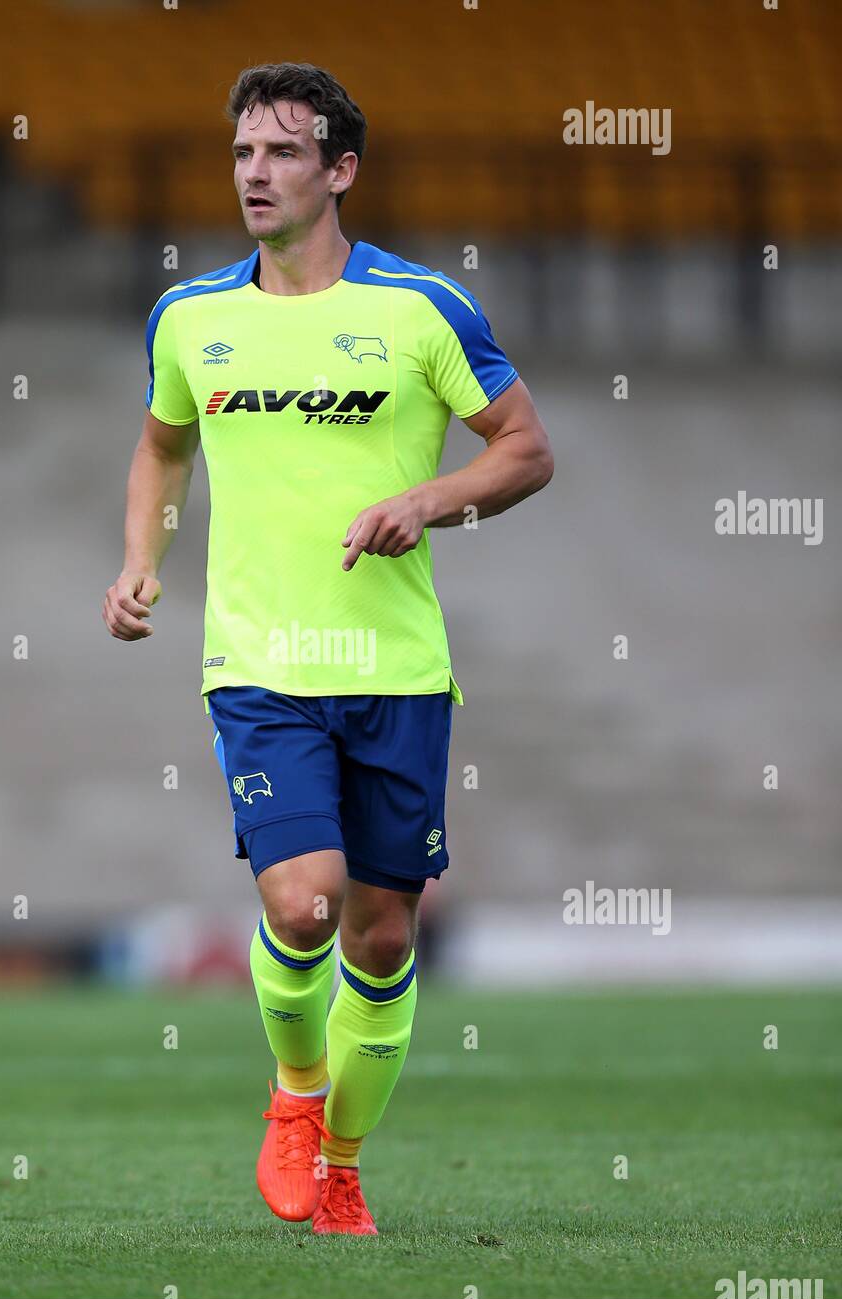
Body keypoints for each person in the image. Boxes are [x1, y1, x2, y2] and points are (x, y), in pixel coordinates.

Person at [103, 62, 553, 1235]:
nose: (255, 172)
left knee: (384, 928)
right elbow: (161, 446)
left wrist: (431, 498)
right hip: (257, 664)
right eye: (243, 152)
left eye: (283, 152)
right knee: (302, 908)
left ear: (339, 169)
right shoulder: (190, 316)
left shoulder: (420, 309)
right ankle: (296, 1094)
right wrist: (142, 556)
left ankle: (341, 1160)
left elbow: (521, 448)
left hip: (395, 670)